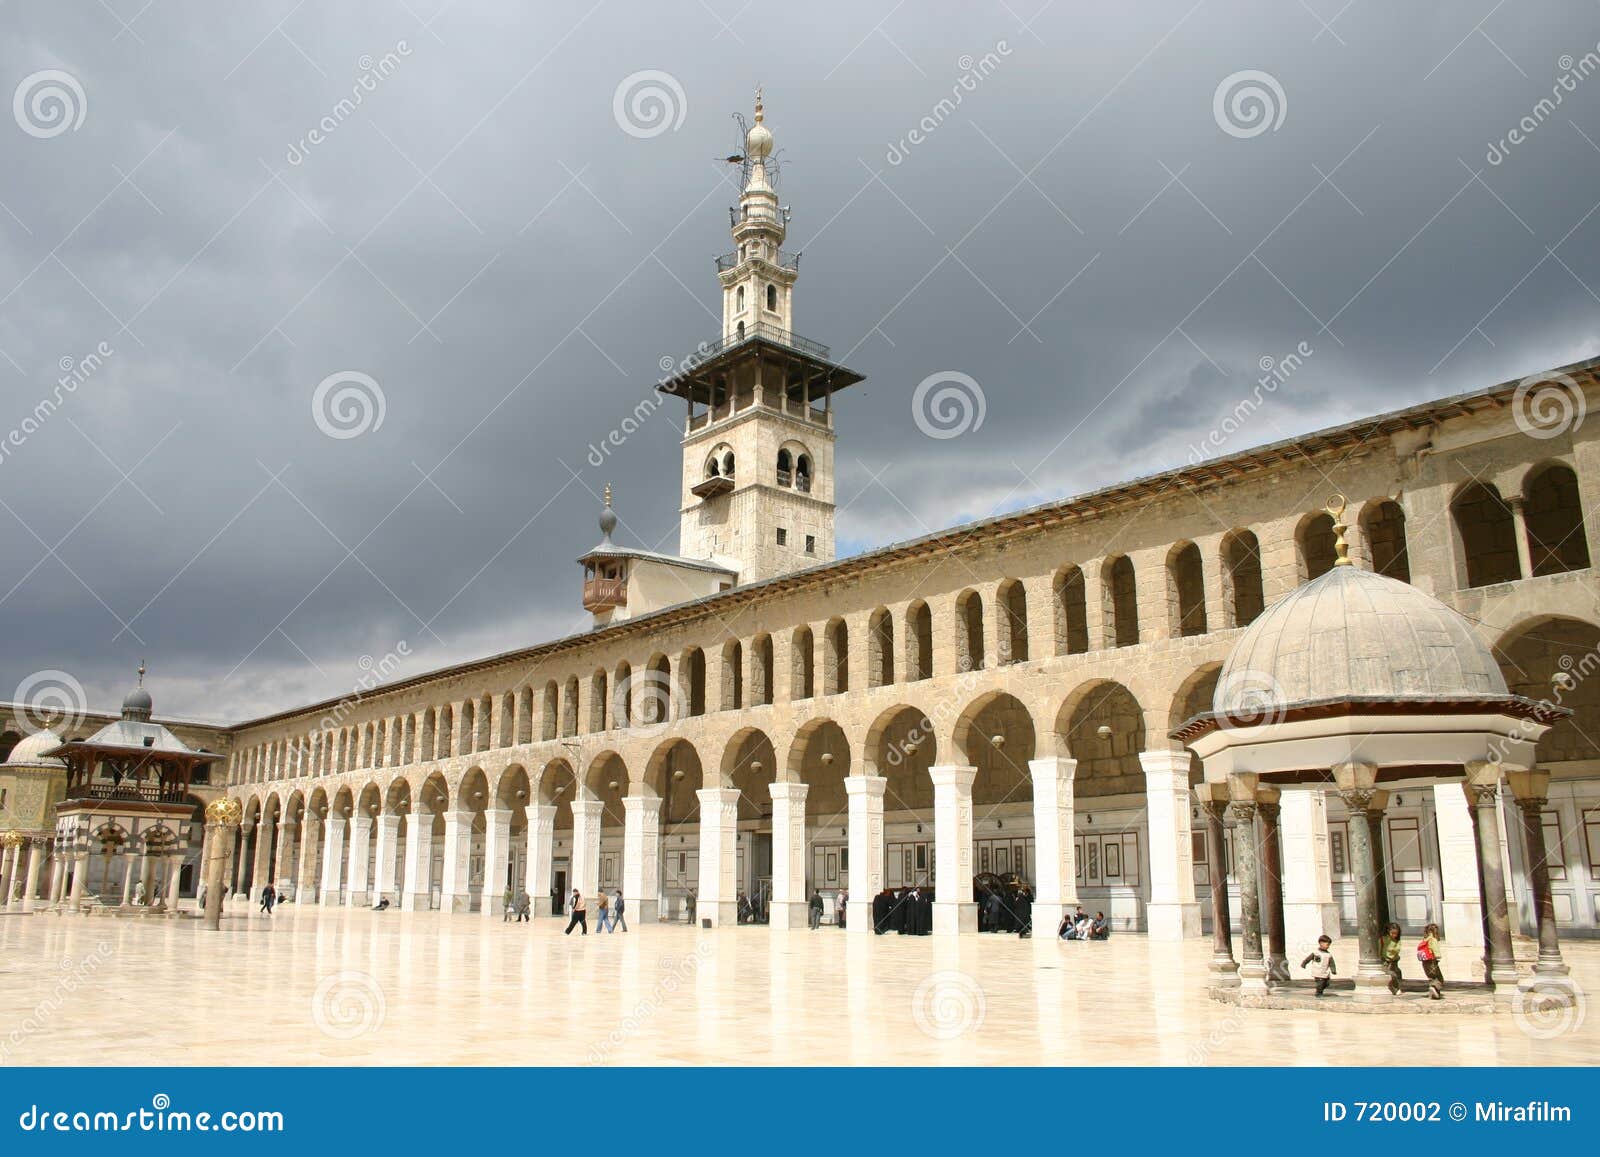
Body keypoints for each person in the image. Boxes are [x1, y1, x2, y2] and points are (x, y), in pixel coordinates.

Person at [1418, 923, 1444, 1000]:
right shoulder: (1433, 939)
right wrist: (1438, 956)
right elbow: (1435, 949)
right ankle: (1434, 988)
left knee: (1432, 978)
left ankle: (1434, 993)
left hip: (1425, 962)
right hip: (1432, 961)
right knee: (1439, 978)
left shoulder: (1425, 940)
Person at [1380, 922, 1403, 995]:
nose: (1394, 935)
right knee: (1388, 974)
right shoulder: (1383, 939)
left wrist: (1392, 950)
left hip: (1393, 960)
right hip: (1385, 960)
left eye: (1396, 933)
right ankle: (1392, 988)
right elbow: (1380, 947)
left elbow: (1398, 949)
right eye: (1392, 933)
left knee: (1393, 974)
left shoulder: (1397, 940)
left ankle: (1395, 988)